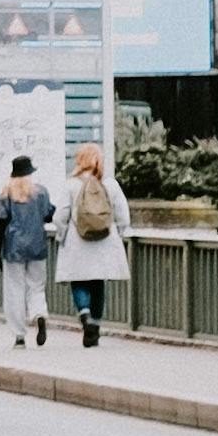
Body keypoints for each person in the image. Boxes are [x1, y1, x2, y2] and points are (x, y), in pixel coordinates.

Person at [57, 137, 134, 351]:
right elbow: (123, 215)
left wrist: (62, 234)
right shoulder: (110, 184)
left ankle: (84, 313)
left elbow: (60, 216)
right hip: (105, 239)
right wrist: (116, 232)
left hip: (77, 239)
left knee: (79, 280)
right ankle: (96, 327)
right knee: (98, 282)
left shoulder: (71, 185)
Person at [0, 146, 58, 348]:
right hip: (37, 244)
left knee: (14, 289)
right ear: (30, 173)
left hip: (13, 247)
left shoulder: (7, 194)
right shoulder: (41, 192)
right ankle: (39, 314)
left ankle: (19, 335)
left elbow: (2, 223)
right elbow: (49, 215)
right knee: (36, 286)